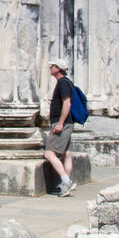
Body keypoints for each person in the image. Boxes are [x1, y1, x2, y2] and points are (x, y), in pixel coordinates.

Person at [42, 61, 76, 196]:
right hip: (66, 123)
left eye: (52, 66)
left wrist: (60, 123)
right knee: (66, 153)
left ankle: (66, 181)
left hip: (62, 123)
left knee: (49, 153)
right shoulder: (66, 82)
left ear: (58, 68)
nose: (50, 68)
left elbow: (67, 103)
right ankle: (65, 186)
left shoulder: (63, 83)